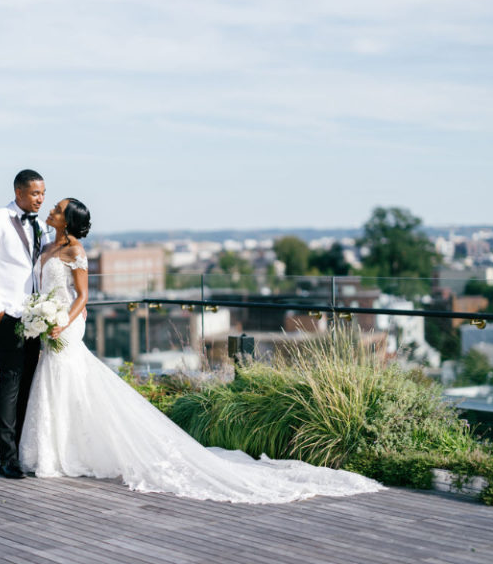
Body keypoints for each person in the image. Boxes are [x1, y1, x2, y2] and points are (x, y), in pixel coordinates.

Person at [19, 199, 383, 503]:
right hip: (49, 319)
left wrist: (60, 322)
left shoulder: (75, 251)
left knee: (67, 375)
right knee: (59, 379)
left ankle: (66, 451)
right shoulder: (47, 245)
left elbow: (83, 297)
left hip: (66, 321)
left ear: (68, 220)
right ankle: (62, 449)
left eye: (58, 207)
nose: (51, 209)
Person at [0, 169, 53, 479]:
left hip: (34, 316)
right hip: (6, 314)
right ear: (19, 193)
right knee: (10, 380)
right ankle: (7, 458)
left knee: (29, 380)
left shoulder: (43, 227)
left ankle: (23, 451)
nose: (40, 199)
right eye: (35, 194)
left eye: (43, 194)